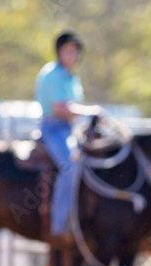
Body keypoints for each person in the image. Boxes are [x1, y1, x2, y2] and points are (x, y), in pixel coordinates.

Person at [34, 31, 103, 247]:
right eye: (68, 51)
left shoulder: (70, 76)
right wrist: (90, 111)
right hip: (54, 127)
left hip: (69, 128)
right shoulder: (53, 74)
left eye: (75, 52)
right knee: (70, 164)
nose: (72, 55)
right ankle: (61, 223)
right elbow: (60, 108)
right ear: (59, 52)